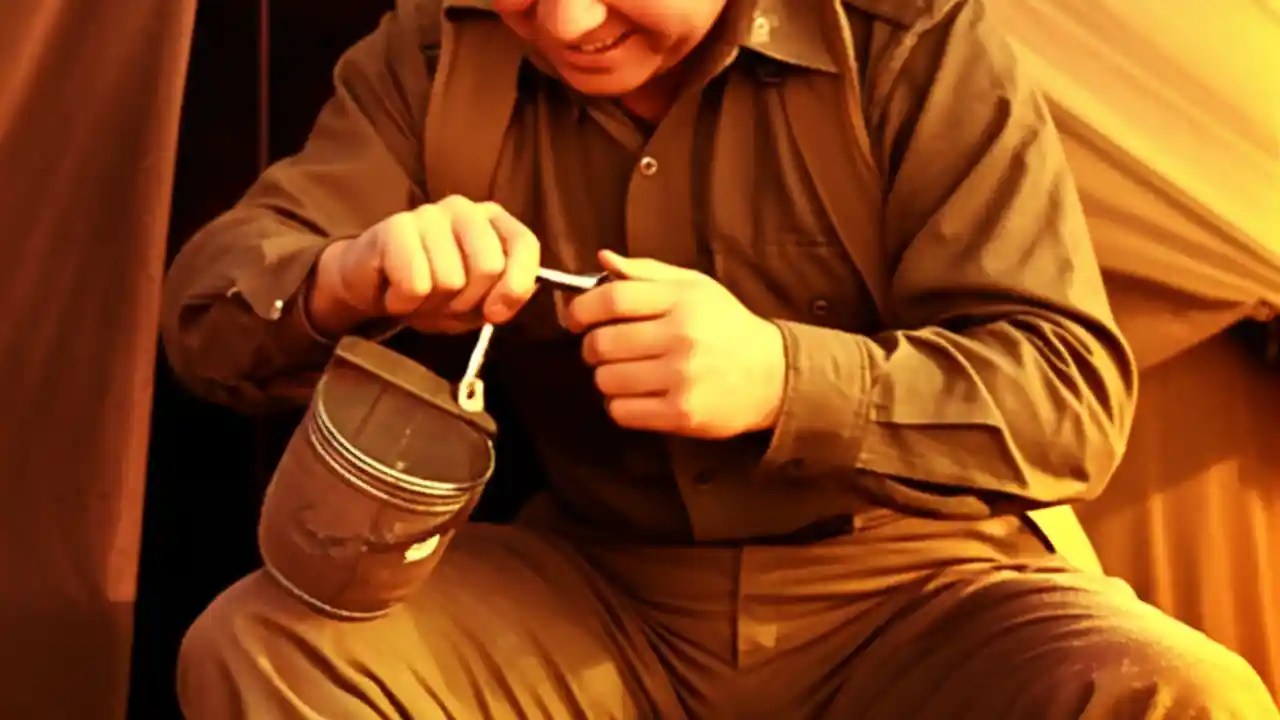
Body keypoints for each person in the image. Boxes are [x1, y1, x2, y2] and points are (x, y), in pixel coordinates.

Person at [161, 0, 1279, 717]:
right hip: (596, 591)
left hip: (919, 590)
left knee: (1180, 696)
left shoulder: (910, 43)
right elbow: (212, 313)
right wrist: (348, 274)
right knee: (259, 647)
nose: (566, 20)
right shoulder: (431, 53)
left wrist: (786, 381)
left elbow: (1066, 399)